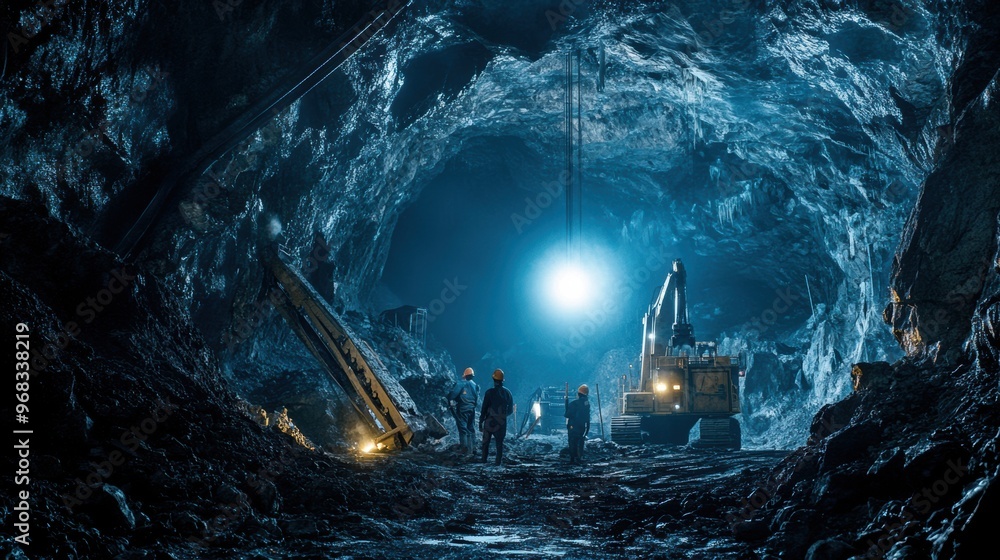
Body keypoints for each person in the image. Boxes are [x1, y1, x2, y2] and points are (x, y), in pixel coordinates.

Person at [479, 368, 514, 465]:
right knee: (499, 444)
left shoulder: (489, 392)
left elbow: (484, 408)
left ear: (494, 380)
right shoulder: (508, 393)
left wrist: (480, 422)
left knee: (486, 443)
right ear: (502, 380)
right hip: (501, 422)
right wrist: (502, 416)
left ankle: (483, 460)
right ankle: (497, 462)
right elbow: (510, 410)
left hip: (489, 421)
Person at [446, 367, 480, 455]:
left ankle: (464, 450)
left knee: (463, 429)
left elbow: (453, 395)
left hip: (463, 409)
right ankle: (473, 449)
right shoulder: (475, 385)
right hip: (471, 409)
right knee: (471, 429)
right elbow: (476, 399)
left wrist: (449, 398)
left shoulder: (461, 383)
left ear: (465, 375)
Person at [565, 384, 591, 464]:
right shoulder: (587, 404)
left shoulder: (574, 404)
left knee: (572, 441)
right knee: (580, 441)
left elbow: (567, 415)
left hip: (573, 425)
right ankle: (580, 457)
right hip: (582, 426)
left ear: (579, 394)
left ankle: (573, 458)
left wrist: (567, 407)